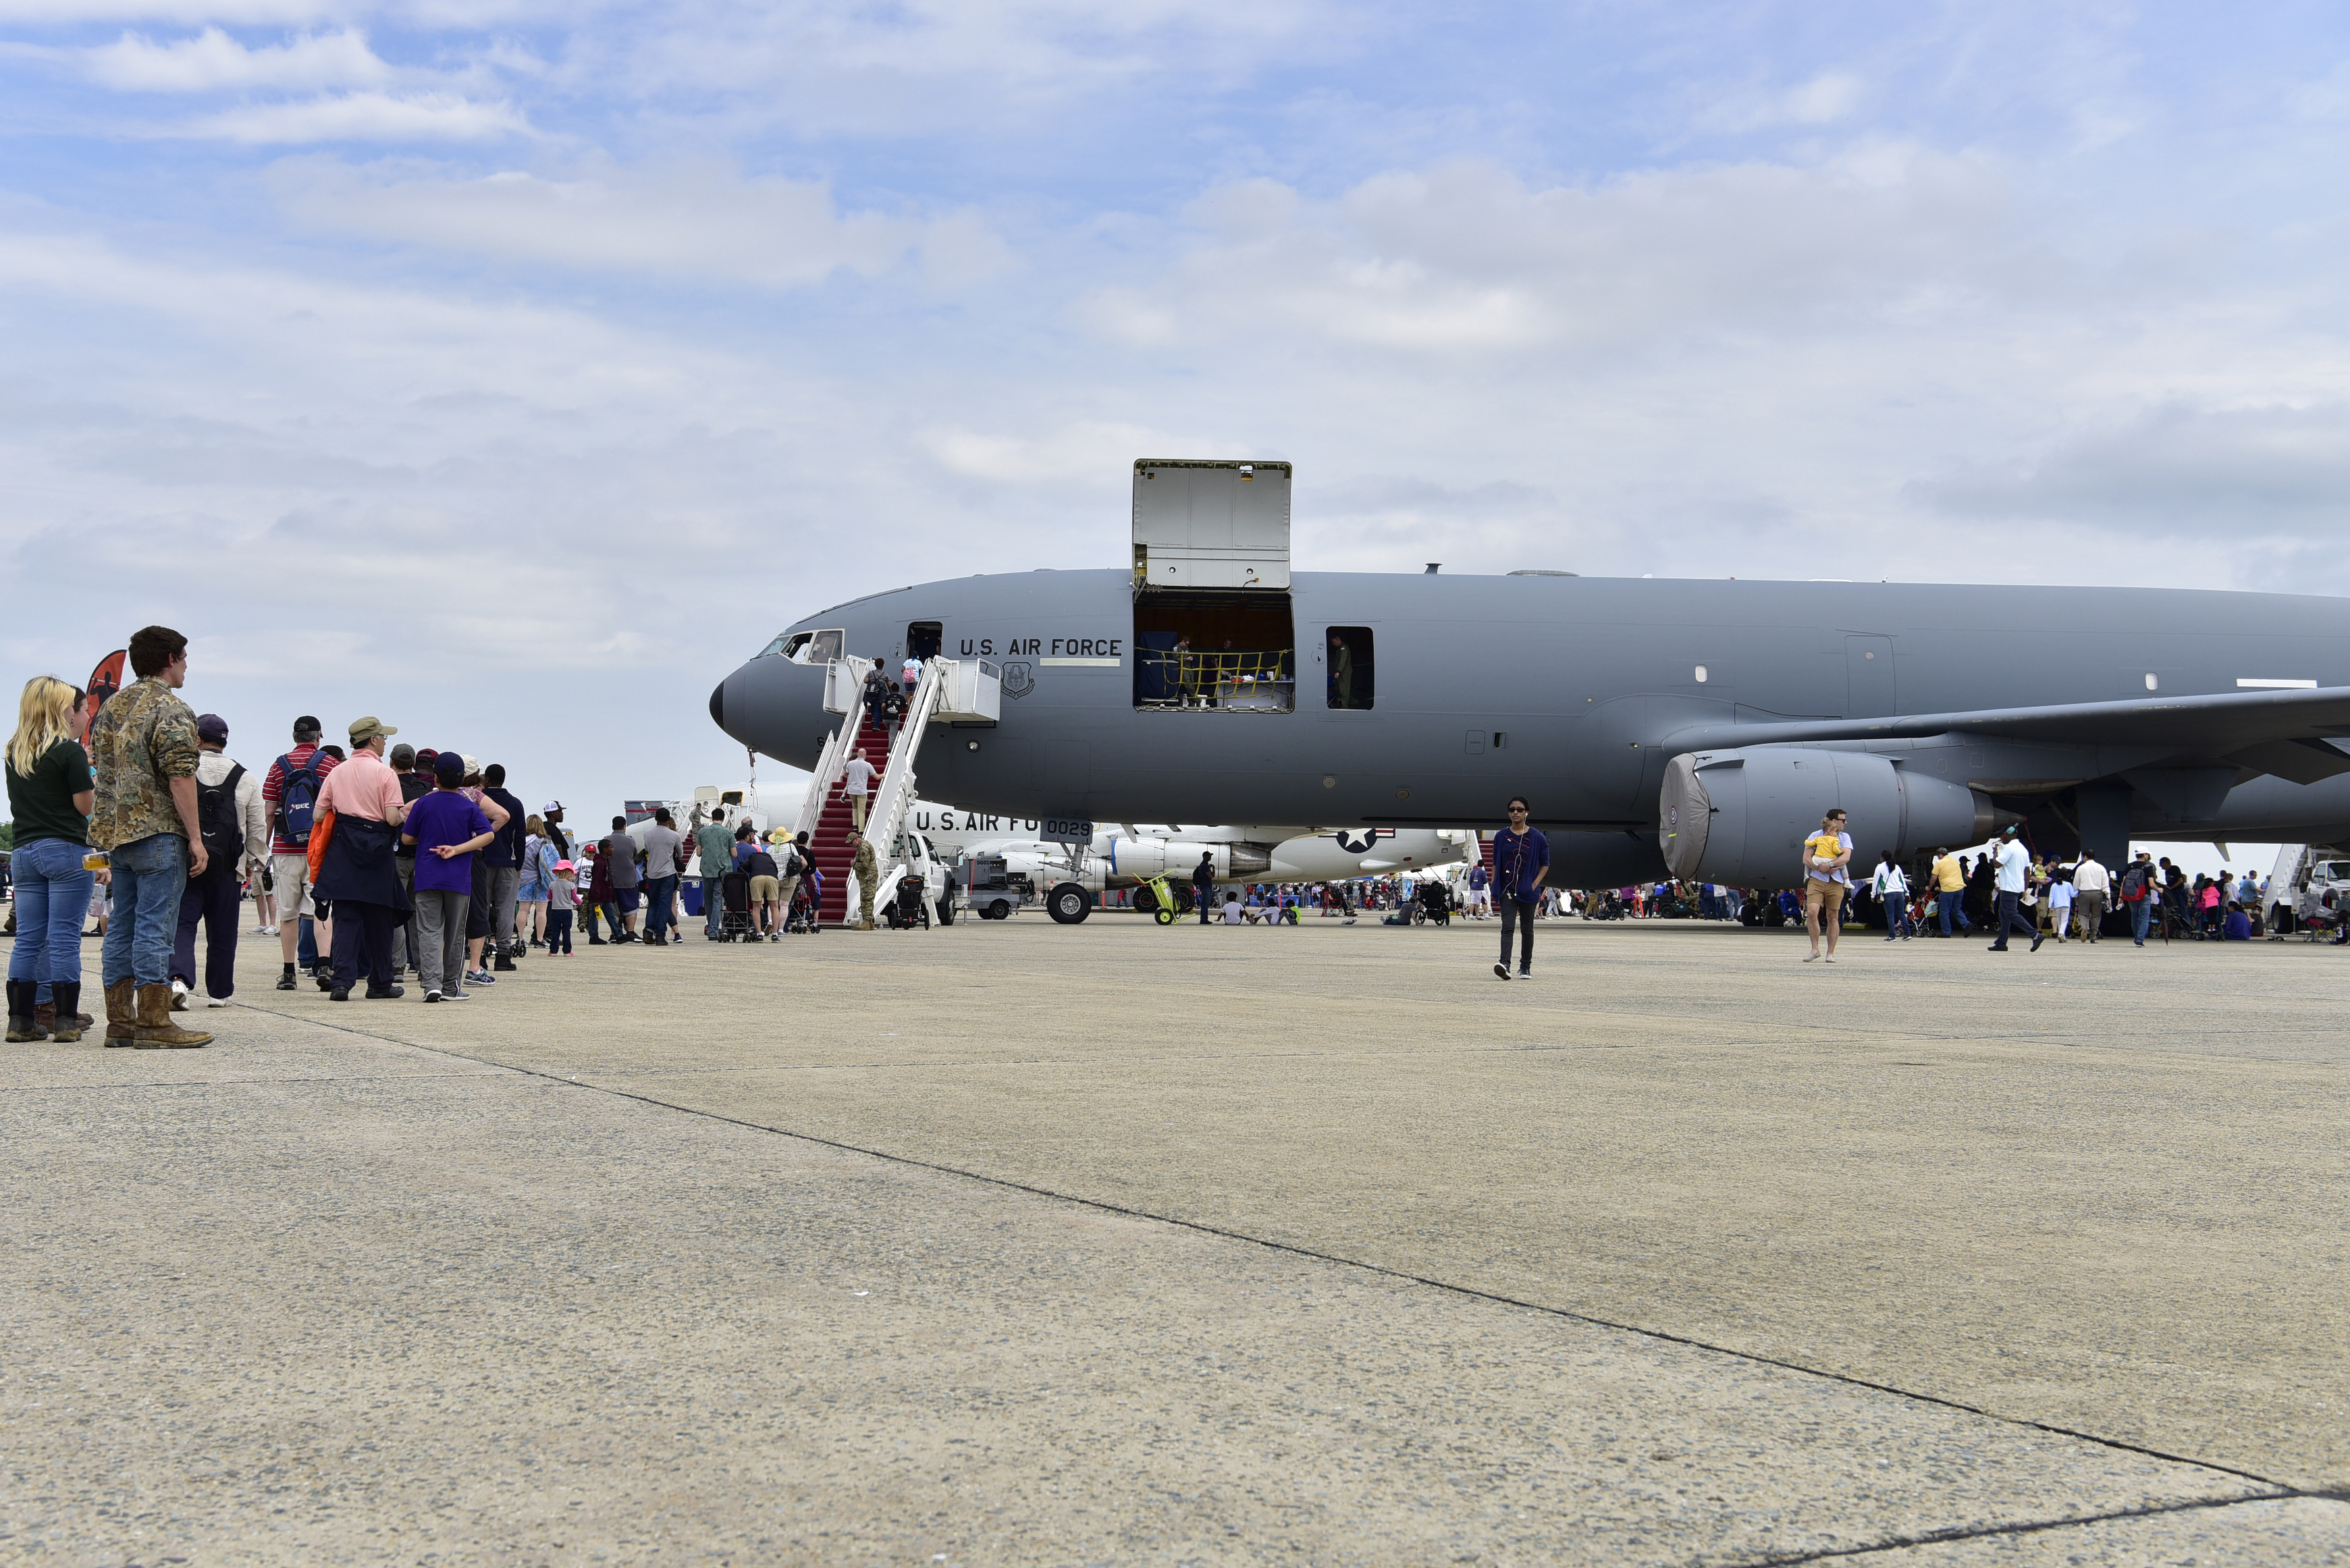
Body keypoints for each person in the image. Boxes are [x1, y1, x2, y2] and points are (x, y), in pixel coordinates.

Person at [87, 626, 212, 1048]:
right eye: (184, 657)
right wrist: (196, 838)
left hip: (118, 837)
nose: (187, 666)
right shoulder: (172, 708)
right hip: (160, 833)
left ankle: (119, 1022)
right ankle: (154, 1023)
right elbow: (180, 776)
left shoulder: (110, 708)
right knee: (155, 927)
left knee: (121, 924)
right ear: (172, 658)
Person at [6, 676, 97, 1043]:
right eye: (81, 708)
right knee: (63, 938)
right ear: (65, 710)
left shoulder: (15, 751)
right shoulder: (70, 752)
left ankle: (21, 1020)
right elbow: (84, 806)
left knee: (27, 938)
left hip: (23, 852)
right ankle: (64, 1020)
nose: (85, 713)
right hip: (65, 850)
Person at [171, 713, 269, 1009]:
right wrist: (256, 860)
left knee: (183, 925)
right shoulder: (245, 777)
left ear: (196, 739)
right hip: (229, 867)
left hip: (187, 863)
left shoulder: (184, 770)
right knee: (223, 930)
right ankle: (220, 992)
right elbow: (257, 824)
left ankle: (179, 981)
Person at [308, 717, 410, 1001]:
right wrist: (405, 813)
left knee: (346, 918)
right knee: (379, 919)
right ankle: (380, 983)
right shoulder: (385, 774)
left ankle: (341, 982)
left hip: (344, 848)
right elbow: (391, 817)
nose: (385, 742)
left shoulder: (337, 772)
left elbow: (318, 815)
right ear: (374, 740)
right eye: (383, 737)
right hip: (377, 850)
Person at [402, 751, 493, 1000]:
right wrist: (458, 848)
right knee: (454, 934)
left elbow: (407, 838)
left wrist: (428, 838)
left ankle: (431, 983)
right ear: (463, 778)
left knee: (429, 930)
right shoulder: (468, 806)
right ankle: (450, 986)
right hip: (458, 879)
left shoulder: (423, 803)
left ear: (435, 778)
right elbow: (489, 834)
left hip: (427, 876)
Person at [262, 716, 338, 990]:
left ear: (294, 736)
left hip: (285, 847)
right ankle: (326, 966)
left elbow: (269, 812)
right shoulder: (330, 764)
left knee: (288, 912)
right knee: (322, 909)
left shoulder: (277, 766)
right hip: (319, 848)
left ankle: (289, 973)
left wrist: (264, 850)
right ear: (319, 736)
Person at [1491, 796, 1548, 979]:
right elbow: (1495, 863)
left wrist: (1534, 884)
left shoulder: (1537, 837)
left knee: (1527, 929)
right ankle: (1504, 964)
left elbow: (1545, 864)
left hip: (1527, 890)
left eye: (1520, 809)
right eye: (1512, 809)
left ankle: (1525, 967)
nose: (1515, 812)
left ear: (1527, 812)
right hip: (1507, 889)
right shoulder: (1501, 836)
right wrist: (1494, 884)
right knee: (1507, 927)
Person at [389, 744, 431, 975]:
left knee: (396, 910)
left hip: (395, 856)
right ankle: (422, 963)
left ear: (391, 762)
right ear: (413, 764)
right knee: (420, 912)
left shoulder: (388, 785)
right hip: (422, 856)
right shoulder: (426, 788)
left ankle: (397, 964)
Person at [481, 763, 528, 964]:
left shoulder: (480, 801)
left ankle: (480, 953)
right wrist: (519, 864)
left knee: (481, 909)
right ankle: (503, 955)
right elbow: (520, 838)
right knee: (506, 910)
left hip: (481, 861)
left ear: (487, 779)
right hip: (508, 862)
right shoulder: (515, 804)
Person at [1799, 808, 1852, 963]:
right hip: (1817, 879)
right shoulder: (1815, 836)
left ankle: (1831, 952)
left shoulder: (1844, 837)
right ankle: (1815, 949)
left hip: (1836, 881)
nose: (1845, 823)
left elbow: (1846, 857)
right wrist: (1819, 868)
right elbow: (1806, 859)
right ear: (1834, 821)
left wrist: (1829, 864)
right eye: (1843, 820)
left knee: (1833, 916)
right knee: (1812, 911)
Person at [1987, 824, 2044, 952]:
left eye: (2002, 834)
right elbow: (2027, 871)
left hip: (2008, 887)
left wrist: (1995, 852)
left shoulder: (2009, 848)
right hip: (2017, 887)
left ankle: (2035, 935)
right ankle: (2001, 943)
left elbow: (1997, 864)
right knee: (2004, 914)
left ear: (2009, 834)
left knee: (2011, 913)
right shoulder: (2023, 849)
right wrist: (2024, 888)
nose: (2001, 837)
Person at [639, 807, 685, 946]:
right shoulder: (674, 835)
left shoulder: (648, 834)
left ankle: (648, 931)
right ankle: (660, 935)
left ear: (655, 818)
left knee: (652, 903)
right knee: (664, 905)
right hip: (667, 873)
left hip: (652, 873)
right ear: (669, 819)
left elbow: (647, 849)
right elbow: (681, 854)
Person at [516, 813, 557, 948]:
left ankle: (521, 939)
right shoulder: (544, 842)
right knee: (541, 911)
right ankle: (539, 939)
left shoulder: (521, 841)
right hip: (542, 879)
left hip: (524, 878)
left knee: (523, 910)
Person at [695, 806, 736, 940]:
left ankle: (711, 926)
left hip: (706, 870)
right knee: (718, 901)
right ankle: (713, 930)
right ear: (723, 819)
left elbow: (699, 853)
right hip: (722, 871)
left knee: (708, 901)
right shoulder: (728, 833)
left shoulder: (702, 832)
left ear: (712, 818)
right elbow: (734, 854)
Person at [602, 814, 641, 942]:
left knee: (614, 908)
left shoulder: (606, 839)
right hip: (628, 878)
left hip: (611, 879)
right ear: (624, 827)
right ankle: (630, 931)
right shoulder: (630, 840)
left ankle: (614, 933)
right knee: (631, 905)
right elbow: (634, 855)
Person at [2119, 850, 2158, 946]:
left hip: (2132, 894)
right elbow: (2151, 884)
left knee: (2135, 917)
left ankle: (2137, 937)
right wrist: (2159, 889)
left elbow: (2123, 883)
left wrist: (2121, 896)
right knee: (2144, 917)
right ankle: (2140, 940)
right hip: (2145, 894)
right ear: (2145, 855)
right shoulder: (2149, 867)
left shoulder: (2129, 866)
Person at [1871, 850, 1911, 942]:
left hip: (1888, 893)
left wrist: (1873, 895)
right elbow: (1902, 880)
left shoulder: (1880, 867)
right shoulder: (1897, 867)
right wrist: (1907, 893)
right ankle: (1908, 934)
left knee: (1890, 915)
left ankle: (1892, 936)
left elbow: (1876, 882)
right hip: (1900, 893)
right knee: (1901, 914)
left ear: (1882, 857)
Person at [2072, 850, 2110, 944]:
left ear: (2085, 857)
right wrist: (2108, 896)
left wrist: (2076, 894)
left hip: (2084, 893)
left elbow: (2076, 883)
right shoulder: (2101, 868)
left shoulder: (2081, 868)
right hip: (2097, 894)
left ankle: (2085, 927)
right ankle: (2093, 936)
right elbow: (2105, 883)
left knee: (2083, 914)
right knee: (2096, 916)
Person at [839, 747, 876, 831]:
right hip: (861, 791)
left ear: (858, 754)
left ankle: (855, 826)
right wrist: (882, 776)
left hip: (852, 790)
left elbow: (844, 774)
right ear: (865, 755)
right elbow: (876, 777)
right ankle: (861, 830)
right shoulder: (868, 765)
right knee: (861, 811)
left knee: (855, 808)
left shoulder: (850, 763)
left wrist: (851, 777)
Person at [546, 860, 578, 955]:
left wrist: (555, 900)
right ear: (569, 873)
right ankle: (567, 951)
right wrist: (580, 902)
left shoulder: (552, 884)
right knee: (566, 931)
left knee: (556, 931)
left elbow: (549, 896)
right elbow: (575, 898)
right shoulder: (571, 885)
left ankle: (553, 951)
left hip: (555, 909)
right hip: (567, 910)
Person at [850, 829, 879, 929]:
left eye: (851, 842)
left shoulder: (863, 848)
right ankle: (869, 922)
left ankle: (866, 922)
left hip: (868, 877)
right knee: (867, 899)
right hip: (868, 877)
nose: (851, 845)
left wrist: (854, 864)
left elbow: (864, 865)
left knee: (867, 900)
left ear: (857, 839)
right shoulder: (862, 846)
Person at [2047, 865, 2077, 942]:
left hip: (2057, 905)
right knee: (2064, 921)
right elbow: (2073, 895)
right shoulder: (2068, 884)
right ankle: (2061, 934)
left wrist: (2050, 906)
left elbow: (2051, 896)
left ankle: (2063, 937)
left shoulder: (2054, 885)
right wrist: (2079, 891)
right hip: (2066, 905)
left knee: (2060, 921)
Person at [1192, 851, 1217, 926]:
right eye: (1209, 856)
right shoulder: (1204, 866)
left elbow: (1213, 875)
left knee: (1206, 903)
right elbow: (1210, 877)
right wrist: (1211, 869)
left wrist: (1213, 868)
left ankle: (1205, 919)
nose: (1210, 857)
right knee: (1205, 903)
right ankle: (1204, 919)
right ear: (1205, 856)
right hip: (1205, 886)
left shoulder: (1206, 866)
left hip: (1207, 886)